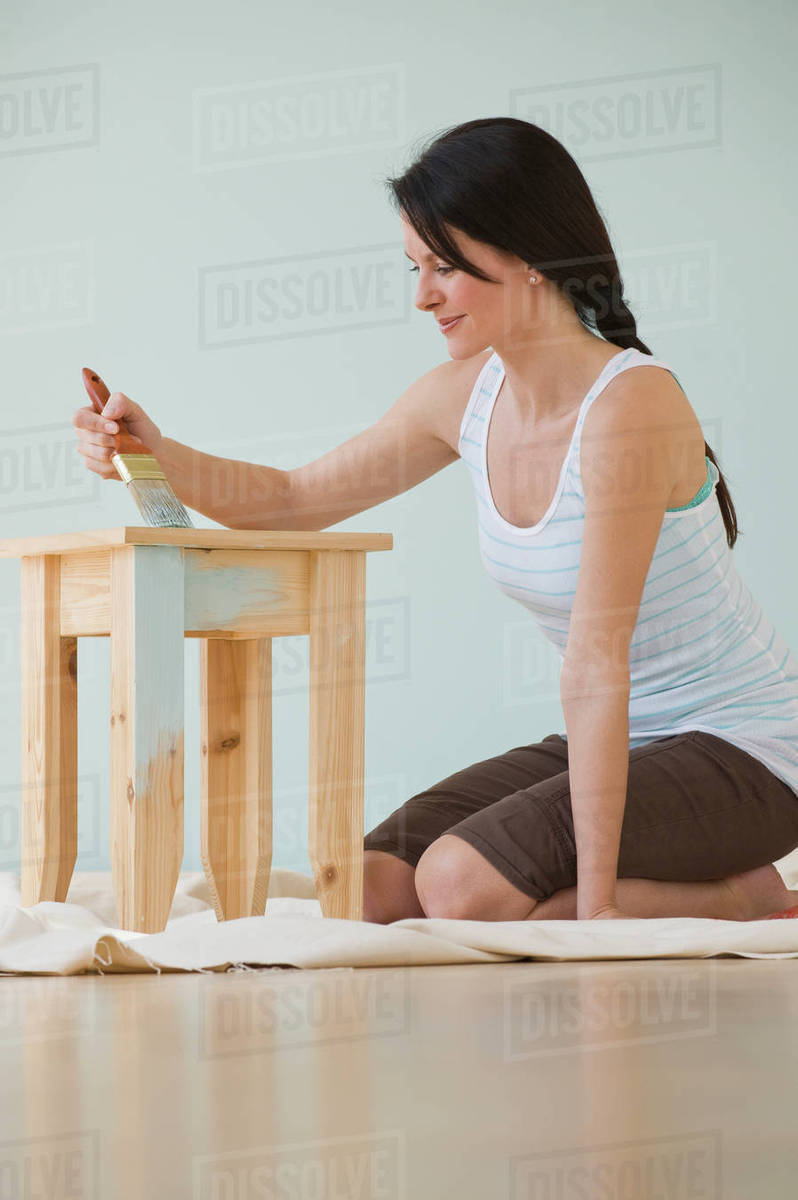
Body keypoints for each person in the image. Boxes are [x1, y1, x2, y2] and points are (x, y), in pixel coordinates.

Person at [72, 116, 798, 925]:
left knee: (461, 887)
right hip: (623, 744)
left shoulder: (628, 407)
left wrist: (599, 918)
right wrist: (158, 452)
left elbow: (597, 665)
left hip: (748, 750)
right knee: (368, 883)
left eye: (444, 268)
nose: (422, 296)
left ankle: (747, 896)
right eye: (416, 267)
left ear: (526, 258)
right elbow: (291, 498)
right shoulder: (465, 397)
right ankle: (661, 890)